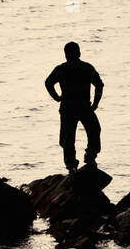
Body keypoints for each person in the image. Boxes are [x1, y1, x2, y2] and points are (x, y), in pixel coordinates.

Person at [44, 41, 103, 172]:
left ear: (65, 55)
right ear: (79, 53)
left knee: (68, 137)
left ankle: (72, 165)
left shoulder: (61, 69)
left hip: (69, 108)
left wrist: (56, 97)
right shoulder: (86, 67)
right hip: (82, 107)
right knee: (93, 131)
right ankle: (89, 157)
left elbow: (48, 83)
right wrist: (95, 102)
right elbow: (99, 84)